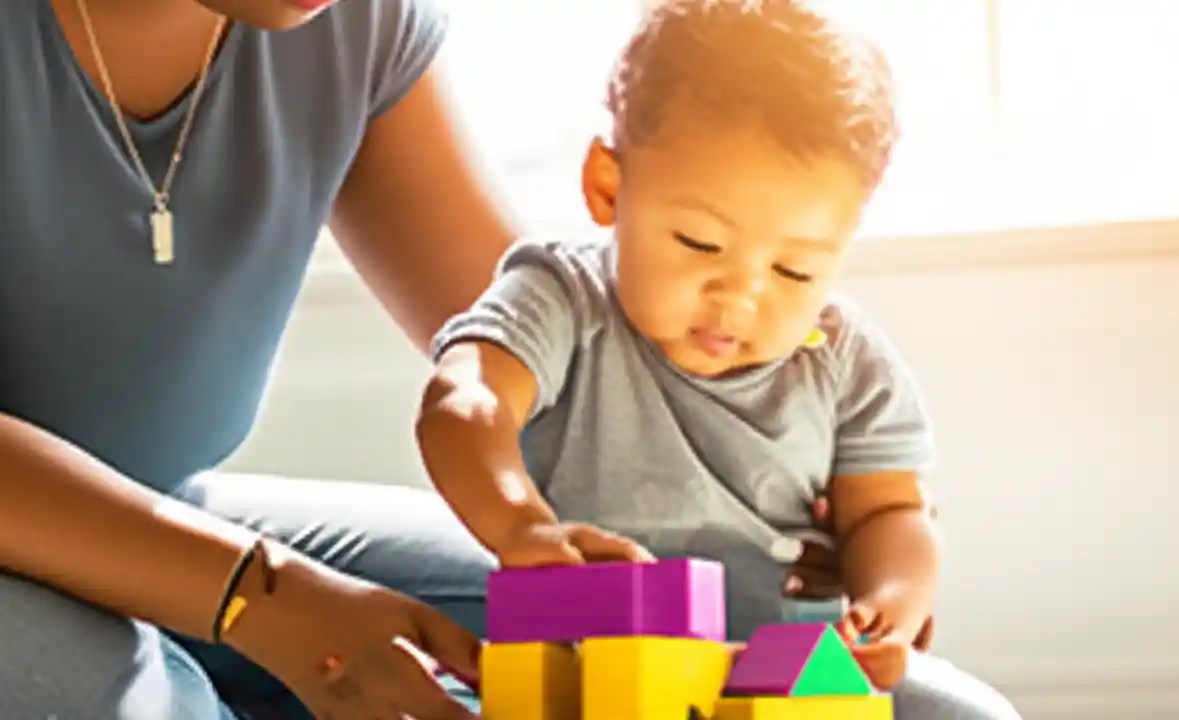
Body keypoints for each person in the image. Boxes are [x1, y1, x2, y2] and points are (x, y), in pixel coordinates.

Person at [418, 1, 1022, 718]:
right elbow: (463, 405)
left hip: (796, 680)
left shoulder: (844, 360)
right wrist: (521, 525)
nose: (739, 297)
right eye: (701, 243)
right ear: (609, 186)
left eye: (794, 271)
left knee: (969, 714)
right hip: (593, 672)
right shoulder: (563, 299)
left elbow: (889, 513)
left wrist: (891, 602)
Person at [2, 0, 515, 717]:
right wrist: (256, 595)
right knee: (123, 701)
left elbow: (534, 353)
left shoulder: (354, 24)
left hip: (164, 507)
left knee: (591, 624)